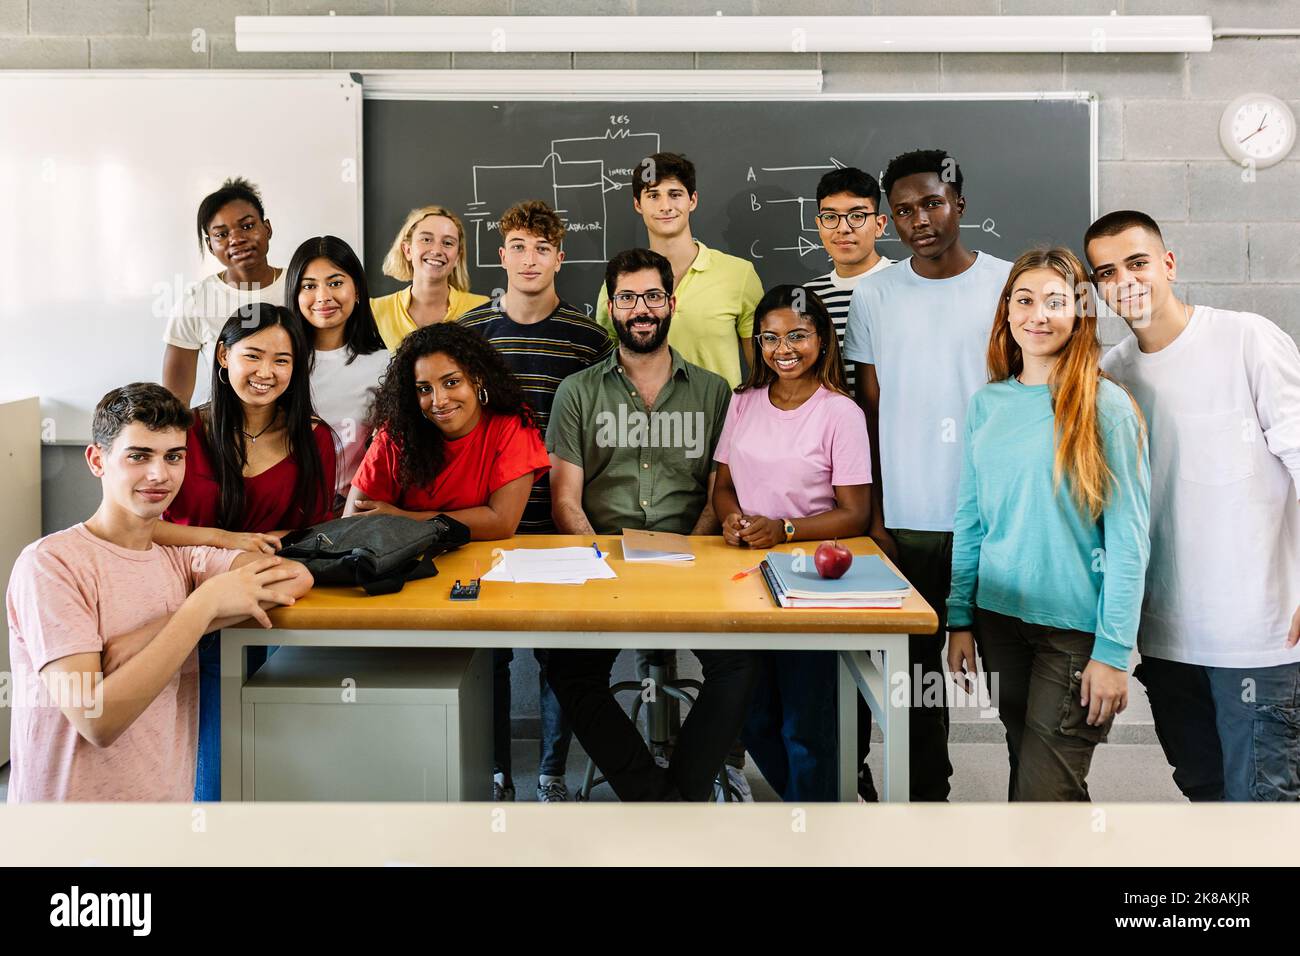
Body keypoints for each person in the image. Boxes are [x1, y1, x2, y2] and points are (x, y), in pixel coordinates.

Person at [5, 383, 312, 802]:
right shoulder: (51, 563)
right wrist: (203, 606)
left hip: (162, 822)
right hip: (67, 834)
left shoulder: (180, 561)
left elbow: (295, 577)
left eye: (174, 457)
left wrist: (168, 623)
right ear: (97, 460)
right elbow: (98, 721)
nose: (159, 475)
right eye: (139, 456)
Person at [1086, 210, 1300, 802]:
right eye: (1106, 272)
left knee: (1263, 803)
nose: (1124, 280)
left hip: (1258, 638)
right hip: (1166, 639)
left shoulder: (1246, 338)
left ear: (1168, 264)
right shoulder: (1113, 372)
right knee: (1205, 800)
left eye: (1137, 262)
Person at [546, 247, 760, 802]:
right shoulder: (578, 391)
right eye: (627, 298)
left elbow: (719, 493)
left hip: (695, 561)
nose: (640, 309)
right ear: (610, 307)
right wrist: (599, 562)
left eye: (651, 296)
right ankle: (651, 794)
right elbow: (566, 499)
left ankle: (683, 791)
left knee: (740, 663)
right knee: (567, 668)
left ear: (671, 301)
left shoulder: (715, 392)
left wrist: (687, 558)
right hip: (603, 562)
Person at [945, 248, 1151, 801]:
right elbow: (971, 521)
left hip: (1073, 634)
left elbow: (1129, 541)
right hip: (999, 621)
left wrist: (1112, 653)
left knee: (1043, 793)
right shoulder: (987, 404)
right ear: (1006, 312)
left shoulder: (1105, 405)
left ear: (1080, 312)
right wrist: (959, 618)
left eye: (1056, 302)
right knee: (1036, 778)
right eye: (1025, 299)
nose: (1038, 314)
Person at [842, 148, 1013, 802]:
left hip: (993, 521)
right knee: (916, 686)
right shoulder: (875, 294)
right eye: (905, 209)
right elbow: (872, 410)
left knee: (1014, 677)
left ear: (960, 205)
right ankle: (924, 810)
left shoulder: (1006, 284)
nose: (920, 219)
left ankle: (1040, 809)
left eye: (933, 203)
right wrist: (877, 516)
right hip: (910, 523)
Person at [459, 199, 612, 801]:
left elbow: (605, 423)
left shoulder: (587, 337)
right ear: (501, 256)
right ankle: (494, 770)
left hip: (559, 516)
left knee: (561, 655)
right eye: (518, 247)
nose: (529, 259)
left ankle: (551, 771)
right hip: (480, 518)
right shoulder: (470, 333)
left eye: (541, 248)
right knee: (486, 657)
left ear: (560, 257)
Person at [155, 303, 338, 800]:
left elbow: (314, 533)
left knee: (265, 742)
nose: (266, 372)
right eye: (252, 355)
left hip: (270, 602)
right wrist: (225, 541)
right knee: (196, 744)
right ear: (222, 355)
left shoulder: (315, 438)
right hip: (180, 596)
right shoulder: (181, 433)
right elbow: (145, 528)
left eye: (282, 360)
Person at [713, 285, 872, 801]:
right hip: (744, 577)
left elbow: (855, 513)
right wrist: (732, 519)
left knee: (804, 722)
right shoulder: (743, 403)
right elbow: (722, 486)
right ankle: (818, 807)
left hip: (810, 580)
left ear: (822, 339)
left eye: (798, 335)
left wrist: (783, 529)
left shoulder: (840, 412)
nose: (784, 348)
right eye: (770, 337)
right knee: (754, 717)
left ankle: (814, 830)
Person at [345, 322, 549, 542]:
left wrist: (404, 520)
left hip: (486, 564)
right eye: (424, 389)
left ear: (477, 378)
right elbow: (351, 522)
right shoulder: (397, 433)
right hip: (408, 565)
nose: (439, 401)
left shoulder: (511, 426)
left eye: (451, 382)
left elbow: (501, 523)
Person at [594, 152, 762, 389]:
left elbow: (762, 373)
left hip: (720, 422)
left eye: (675, 194)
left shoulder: (738, 275)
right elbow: (606, 368)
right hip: (643, 421)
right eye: (653, 195)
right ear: (637, 204)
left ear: (692, 200)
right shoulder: (619, 282)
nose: (665, 206)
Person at [285, 235, 390, 510]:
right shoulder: (279, 360)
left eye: (335, 283)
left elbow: (384, 451)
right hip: (282, 507)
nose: (323, 297)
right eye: (309, 286)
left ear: (357, 291)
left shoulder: (383, 364)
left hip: (347, 510)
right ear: (295, 295)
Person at [162, 177, 285, 406]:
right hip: (222, 431)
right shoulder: (196, 300)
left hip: (296, 426)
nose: (237, 239)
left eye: (247, 226)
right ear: (210, 246)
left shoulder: (303, 286)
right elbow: (175, 401)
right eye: (221, 234)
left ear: (267, 228)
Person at [804, 166, 893, 392]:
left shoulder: (908, 283)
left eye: (857, 216)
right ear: (819, 225)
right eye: (830, 217)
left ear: (880, 225)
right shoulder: (808, 298)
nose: (843, 229)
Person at [372, 205, 490, 352]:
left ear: (457, 258)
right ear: (407, 250)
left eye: (447, 243)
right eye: (426, 239)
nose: (436, 250)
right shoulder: (375, 311)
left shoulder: (481, 308)